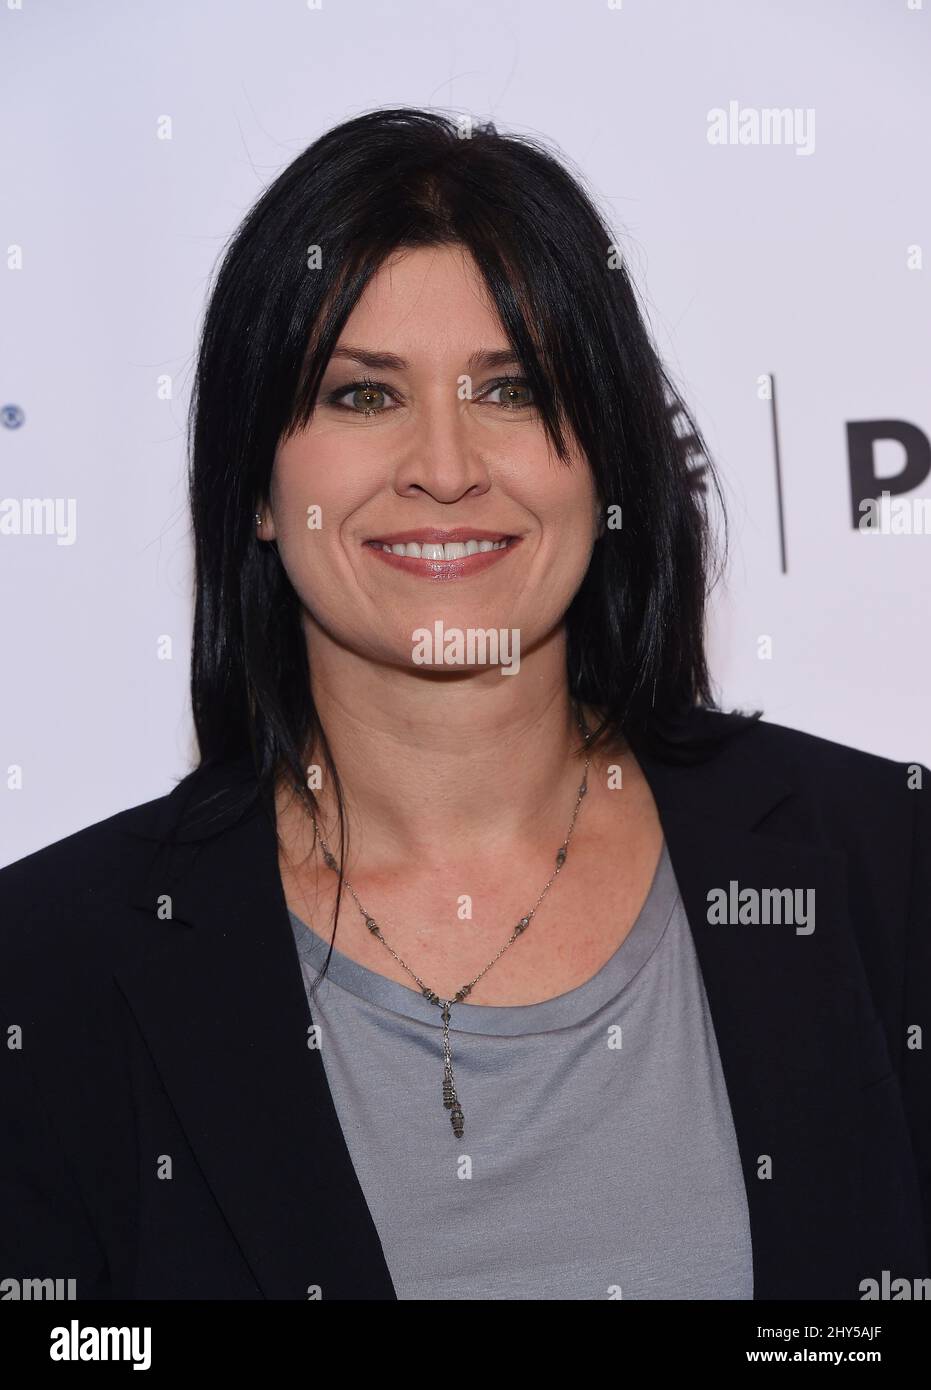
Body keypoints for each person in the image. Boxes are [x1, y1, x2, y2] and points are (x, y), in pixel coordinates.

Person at [1, 108, 927, 1302]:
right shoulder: (47, 972)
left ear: (606, 462)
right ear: (258, 489)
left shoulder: (883, 869)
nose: (443, 467)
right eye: (359, 396)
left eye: (509, 387)